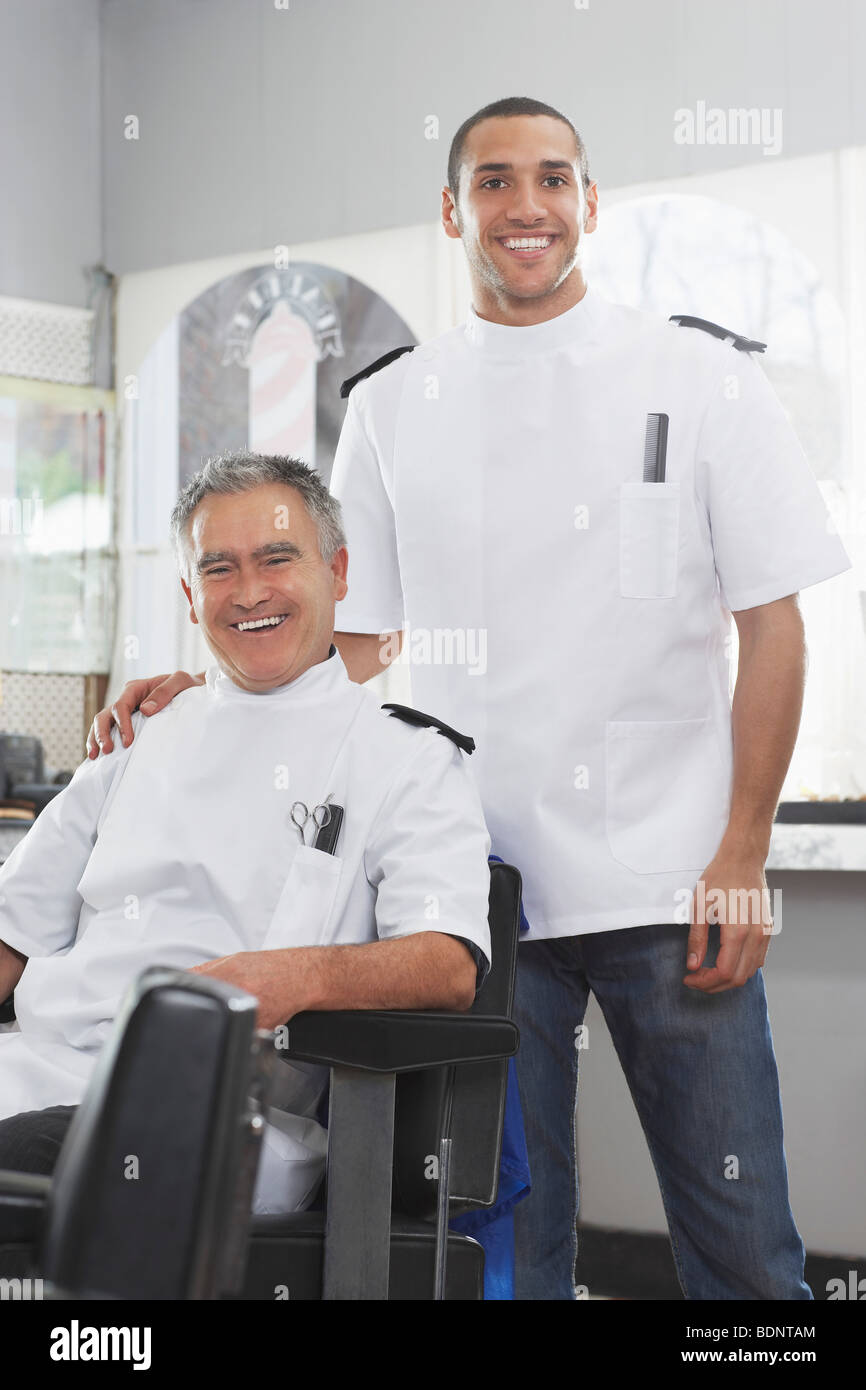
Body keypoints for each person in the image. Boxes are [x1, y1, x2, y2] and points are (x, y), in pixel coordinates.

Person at [89, 98, 851, 1299]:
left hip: (672, 879)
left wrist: (742, 846)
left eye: (552, 178)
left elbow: (772, 622)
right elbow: (357, 640)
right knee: (497, 1249)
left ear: (589, 204)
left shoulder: (697, 376)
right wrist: (212, 685)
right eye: (493, 181)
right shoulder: (393, 405)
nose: (525, 205)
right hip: (470, 896)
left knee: (743, 1244)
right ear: (453, 211)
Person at [0, 452, 491, 1216]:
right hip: (30, 1073)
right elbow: (12, 932)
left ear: (339, 569)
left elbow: (448, 962)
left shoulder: (407, 760)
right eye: (220, 569)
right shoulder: (139, 734)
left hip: (208, 1114)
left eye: (277, 558)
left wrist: (289, 976)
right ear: (191, 598)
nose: (251, 591)